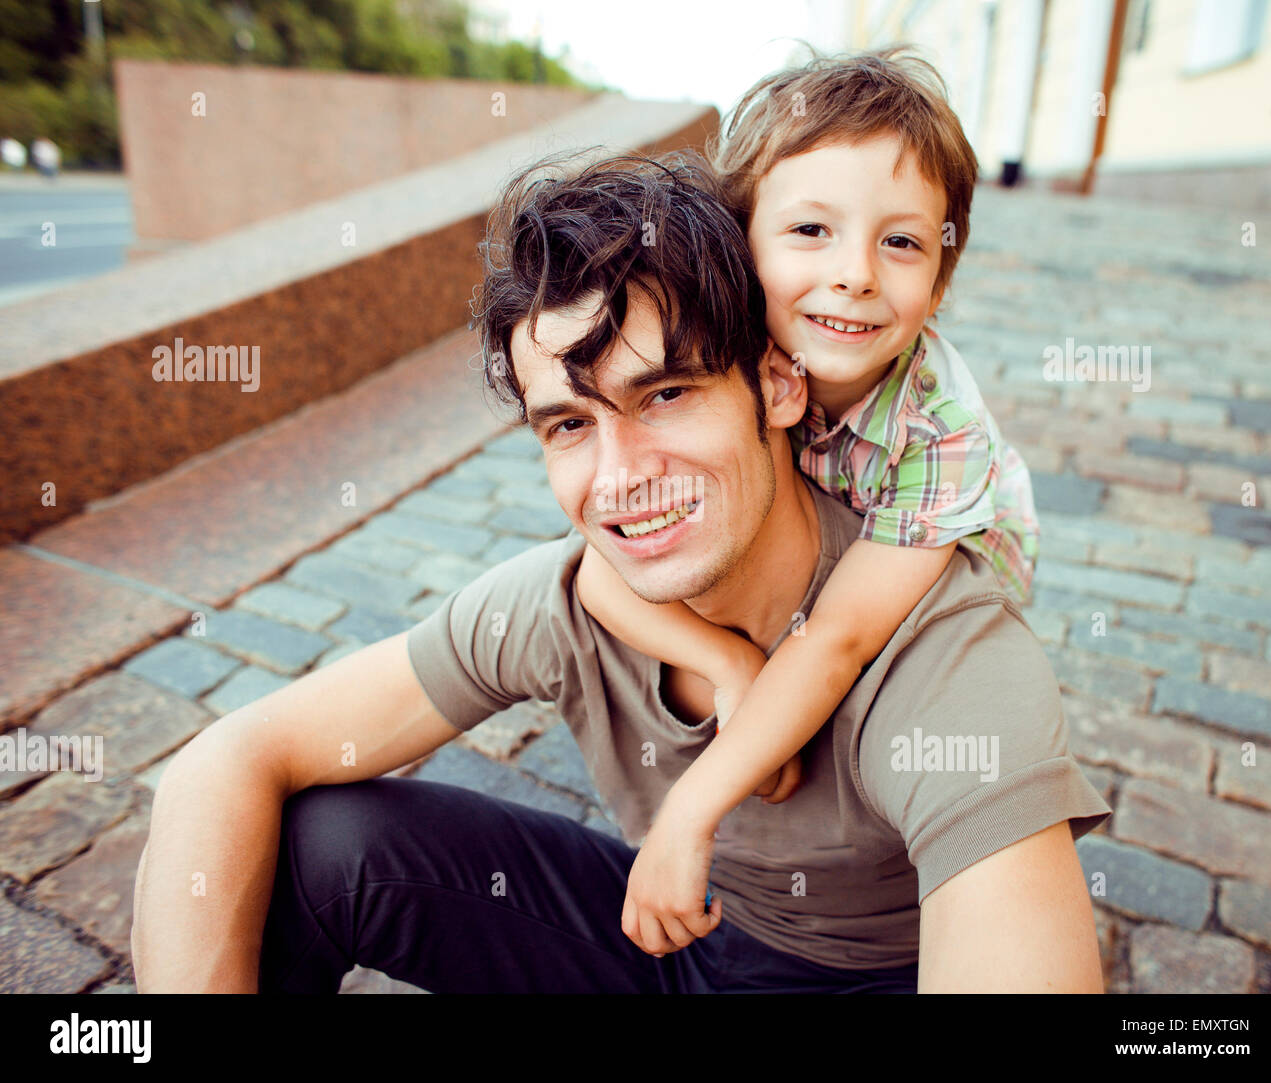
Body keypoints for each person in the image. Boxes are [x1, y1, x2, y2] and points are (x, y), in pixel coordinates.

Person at [131, 149, 1110, 995]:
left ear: (777, 383)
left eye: (666, 393)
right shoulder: (568, 601)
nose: (620, 477)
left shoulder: (943, 657)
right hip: (675, 943)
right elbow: (232, 757)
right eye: (570, 423)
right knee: (327, 848)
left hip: (859, 978)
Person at [572, 48, 1043, 945]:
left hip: (930, 570)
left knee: (868, 687)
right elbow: (597, 572)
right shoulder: (725, 355)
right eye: (811, 230)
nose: (857, 273)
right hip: (809, 554)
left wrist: (689, 812)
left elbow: (840, 638)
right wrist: (727, 664)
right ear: (741, 245)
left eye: (901, 242)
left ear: (939, 281)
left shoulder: (941, 434)